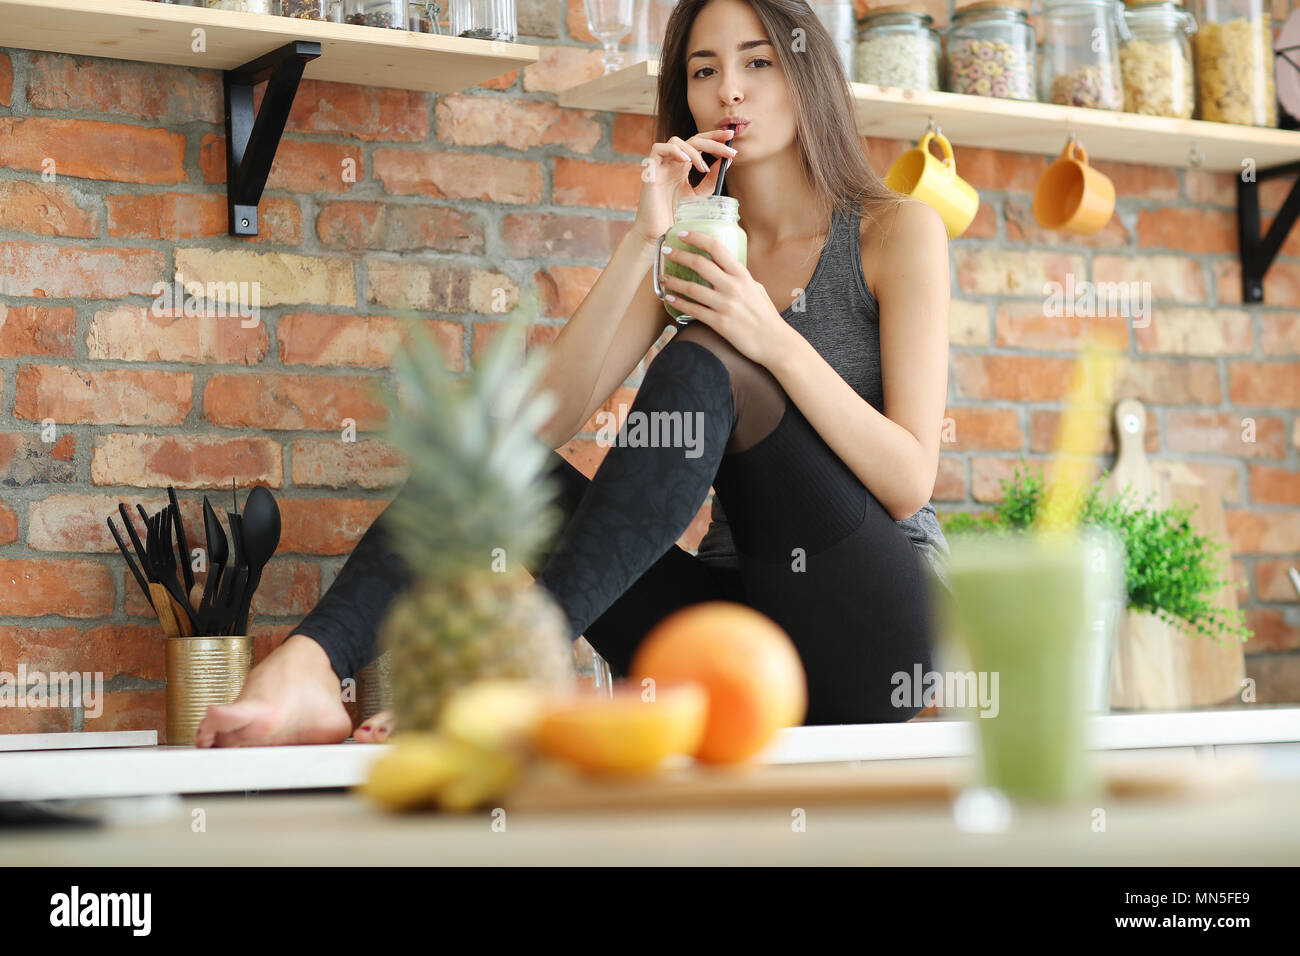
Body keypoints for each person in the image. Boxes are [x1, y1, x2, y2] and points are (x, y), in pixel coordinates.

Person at [194, 0, 951, 748]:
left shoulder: (895, 230)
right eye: (704, 70)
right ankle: (308, 667)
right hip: (727, 656)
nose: (730, 91)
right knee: (490, 455)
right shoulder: (694, 248)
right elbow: (542, 424)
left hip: (874, 634)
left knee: (709, 356)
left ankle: (519, 664)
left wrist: (769, 337)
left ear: (805, 67)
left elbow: (909, 478)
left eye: (758, 61)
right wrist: (642, 241)